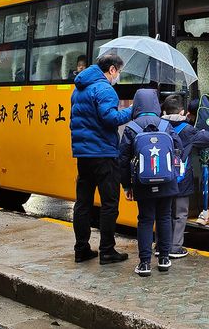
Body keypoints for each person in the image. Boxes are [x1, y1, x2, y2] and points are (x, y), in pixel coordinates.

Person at [69, 53, 132, 264]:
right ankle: (107, 250)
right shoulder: (105, 89)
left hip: (84, 154)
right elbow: (110, 119)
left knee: (83, 203)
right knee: (109, 203)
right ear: (112, 70)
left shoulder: (79, 89)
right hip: (104, 154)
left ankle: (81, 249)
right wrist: (132, 111)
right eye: (119, 72)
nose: (118, 76)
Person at [119, 89, 182, 277]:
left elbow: (122, 160)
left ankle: (145, 263)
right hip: (167, 183)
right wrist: (175, 174)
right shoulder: (165, 125)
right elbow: (178, 150)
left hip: (142, 182)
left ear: (137, 105)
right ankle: (164, 259)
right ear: (156, 104)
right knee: (164, 217)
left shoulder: (132, 128)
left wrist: (127, 185)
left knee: (145, 220)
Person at [161, 95, 209, 259]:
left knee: (164, 213)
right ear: (183, 112)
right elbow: (207, 139)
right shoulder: (188, 129)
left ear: (164, 111)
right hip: (181, 179)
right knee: (180, 213)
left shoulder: (159, 126)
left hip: (163, 178)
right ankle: (175, 248)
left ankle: (162, 246)